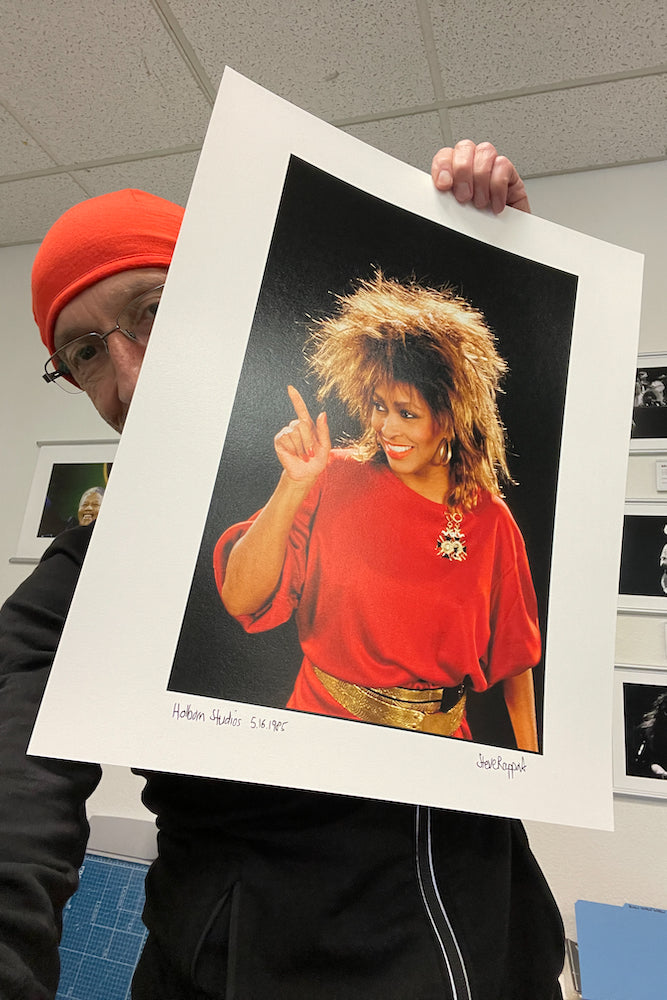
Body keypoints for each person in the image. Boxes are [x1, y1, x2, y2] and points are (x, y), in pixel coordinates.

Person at [0, 142, 564, 1000]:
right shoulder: (95, 566)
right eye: (82, 353)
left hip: (491, 941)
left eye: (153, 309)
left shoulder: (476, 518)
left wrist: (487, 248)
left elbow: (516, 659)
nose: (130, 376)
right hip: (243, 970)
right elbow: (16, 758)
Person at [217, 276, 540, 750]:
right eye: (379, 407)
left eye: (407, 413)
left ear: (449, 416)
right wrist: (294, 483)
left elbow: (517, 660)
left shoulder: (491, 520)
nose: (387, 427)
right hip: (321, 739)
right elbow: (240, 598)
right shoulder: (331, 478)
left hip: (439, 754)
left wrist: (529, 766)